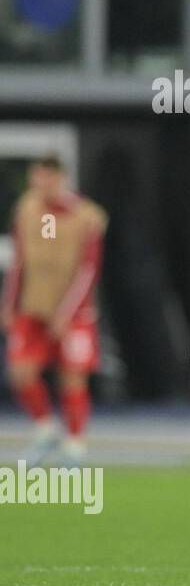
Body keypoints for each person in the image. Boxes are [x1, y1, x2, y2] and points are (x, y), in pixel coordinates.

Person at [3, 156, 109, 465]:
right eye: (35, 180)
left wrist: (67, 311)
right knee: (21, 370)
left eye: (45, 179)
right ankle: (45, 428)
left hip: (74, 313)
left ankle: (75, 445)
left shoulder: (87, 216)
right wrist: (9, 303)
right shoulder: (26, 210)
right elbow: (19, 260)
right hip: (33, 306)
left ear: (60, 178)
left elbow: (89, 270)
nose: (39, 186)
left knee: (72, 376)